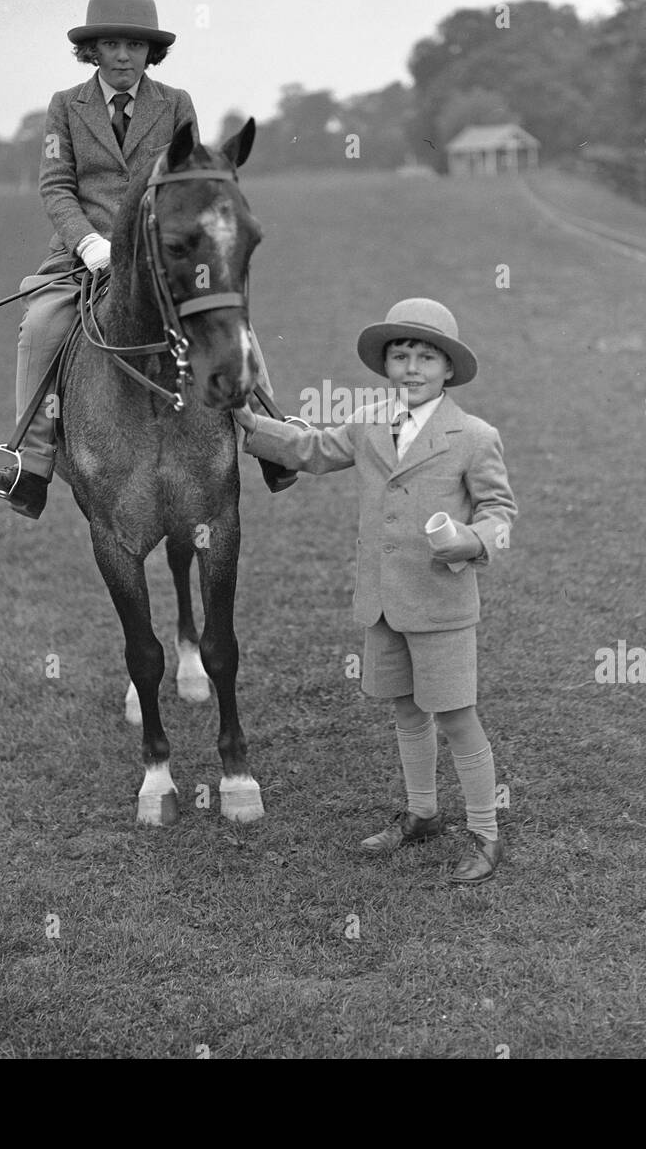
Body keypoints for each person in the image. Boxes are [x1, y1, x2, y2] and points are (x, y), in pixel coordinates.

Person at [0, 0, 287, 518]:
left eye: (134, 47)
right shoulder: (66, 106)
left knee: (225, 315)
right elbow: (55, 186)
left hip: (160, 251)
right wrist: (90, 242)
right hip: (80, 256)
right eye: (112, 44)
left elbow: (187, 185)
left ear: (149, 53)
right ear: (92, 50)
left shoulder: (176, 103)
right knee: (42, 324)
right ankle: (30, 459)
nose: (123, 56)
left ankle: (272, 436)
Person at [234, 298, 517, 883]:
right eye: (400, 355)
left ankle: (486, 833)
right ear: (386, 365)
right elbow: (309, 451)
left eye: (425, 356)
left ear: (448, 368)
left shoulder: (474, 435)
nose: (411, 367)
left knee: (457, 717)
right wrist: (246, 422)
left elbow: (500, 514)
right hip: (383, 603)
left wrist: (469, 539)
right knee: (406, 711)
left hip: (440, 604)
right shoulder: (367, 422)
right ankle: (421, 814)